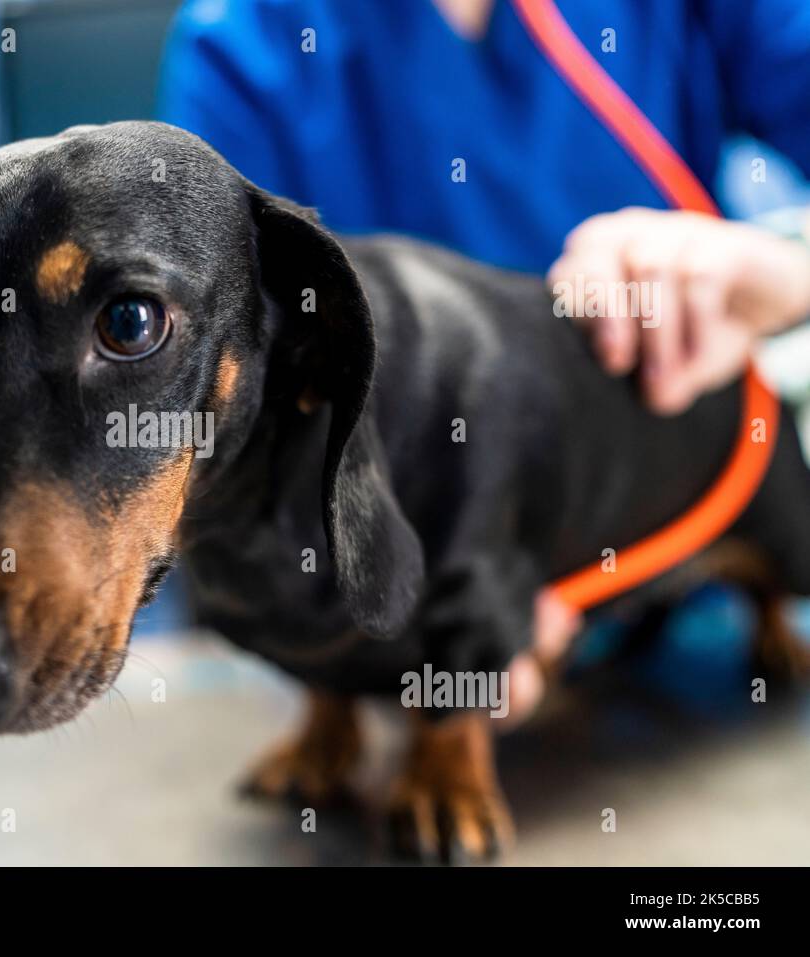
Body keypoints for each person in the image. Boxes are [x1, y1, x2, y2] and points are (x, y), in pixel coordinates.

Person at [159, 0, 810, 720]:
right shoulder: (247, 47)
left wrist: (789, 270)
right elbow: (219, 429)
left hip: (699, 604)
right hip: (407, 617)